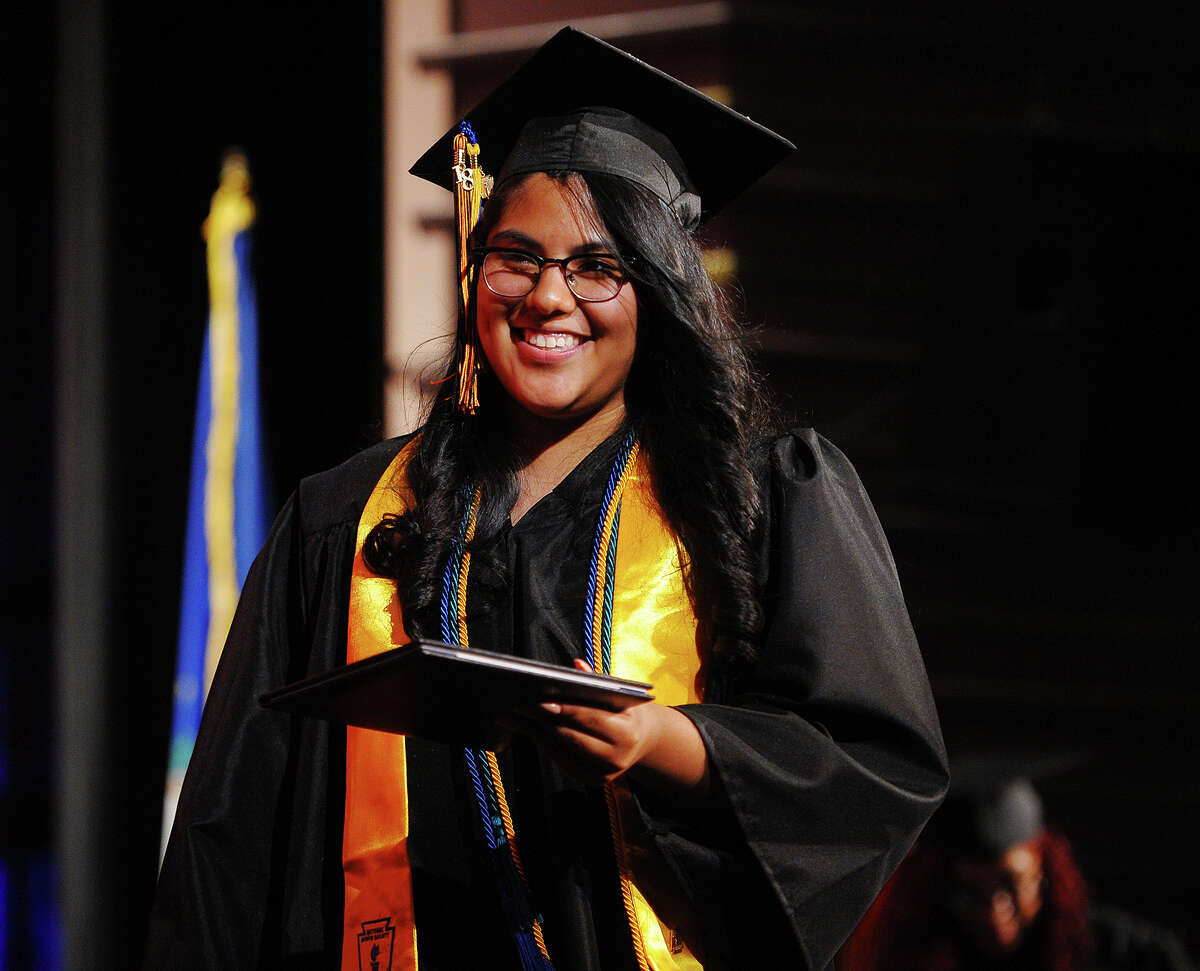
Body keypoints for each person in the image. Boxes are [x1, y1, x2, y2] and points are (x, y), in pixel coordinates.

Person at [145, 27, 949, 971]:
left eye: (597, 267)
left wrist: (665, 743)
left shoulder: (760, 500)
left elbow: (869, 770)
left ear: (659, 290)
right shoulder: (349, 522)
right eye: (515, 257)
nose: (547, 297)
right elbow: (227, 841)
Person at [837, 768, 1195, 971]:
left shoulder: (1129, 956)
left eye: (1012, 883)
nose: (994, 910)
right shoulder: (914, 956)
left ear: (1046, 873)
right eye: (969, 892)